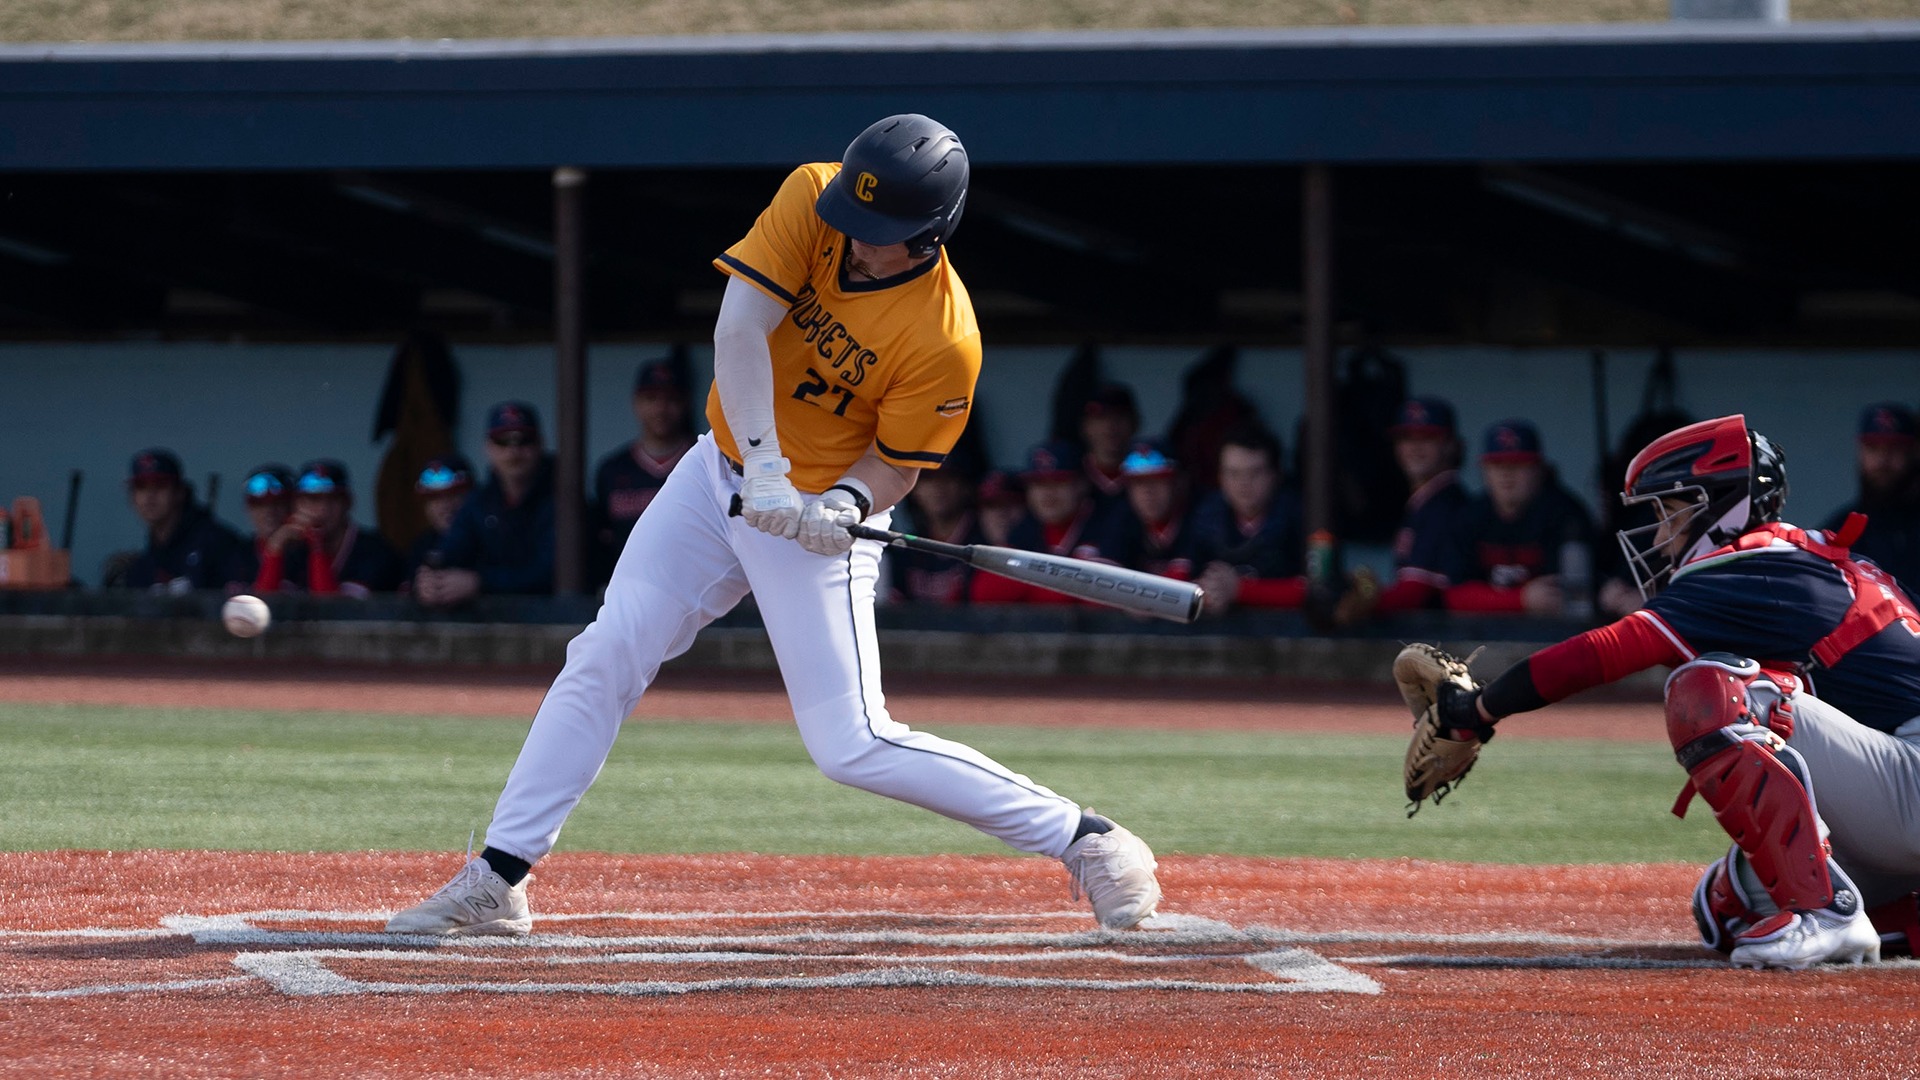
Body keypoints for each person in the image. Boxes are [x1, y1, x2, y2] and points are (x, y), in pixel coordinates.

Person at [385, 113, 1160, 937]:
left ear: (931, 235)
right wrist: (763, 464)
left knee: (851, 743)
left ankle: (1086, 839)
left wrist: (848, 504)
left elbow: (900, 461)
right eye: (853, 224)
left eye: (880, 234)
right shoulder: (811, 194)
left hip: (816, 521)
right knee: (608, 649)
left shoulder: (943, 338)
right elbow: (740, 327)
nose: (857, 242)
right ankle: (499, 875)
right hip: (723, 471)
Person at [1421, 414, 1920, 969]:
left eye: (1669, 512)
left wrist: (1478, 708)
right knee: (1728, 906)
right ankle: (1900, 916)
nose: (1660, 534)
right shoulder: (1799, 558)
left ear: (1719, 504)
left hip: (1910, 781)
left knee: (1710, 689)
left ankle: (1827, 909)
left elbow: (1598, 653)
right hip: (1902, 782)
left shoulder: (1743, 566)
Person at [1442, 420, 1596, 618]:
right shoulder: (1469, 517)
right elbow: (1454, 596)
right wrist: (1520, 600)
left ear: (1538, 469)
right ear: (1484, 471)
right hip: (1484, 635)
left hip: (1553, 633)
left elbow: (1569, 596)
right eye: (1497, 465)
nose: (1506, 474)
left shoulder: (1566, 515)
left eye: (1517, 464)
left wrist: (1489, 598)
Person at [414, 401, 558, 607]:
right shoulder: (480, 501)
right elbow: (451, 550)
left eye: (523, 440)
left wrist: (480, 582)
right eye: (503, 441)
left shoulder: (564, 498)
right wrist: (430, 579)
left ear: (540, 444)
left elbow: (550, 573)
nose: (513, 451)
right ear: (488, 447)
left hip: (552, 625)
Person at [1343, 397, 1471, 619]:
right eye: (1406, 438)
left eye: (1428, 438)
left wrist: (1366, 602)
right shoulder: (1424, 501)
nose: (1415, 447)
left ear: (1451, 444)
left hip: (1447, 637)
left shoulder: (1446, 504)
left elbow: (1416, 593)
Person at [969, 440, 1131, 605]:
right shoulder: (1027, 527)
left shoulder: (1109, 520)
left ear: (1081, 484)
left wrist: (1028, 584)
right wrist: (1069, 584)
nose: (1047, 493)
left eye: (1058, 482)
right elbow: (985, 591)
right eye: (1038, 484)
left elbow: (1102, 596)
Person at [591, 354, 699, 585]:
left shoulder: (705, 463)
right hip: (630, 587)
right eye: (651, 398)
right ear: (636, 403)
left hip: (695, 587)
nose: (661, 408)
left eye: (671, 399)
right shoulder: (611, 470)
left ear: (686, 403)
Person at [1188, 425, 1307, 614]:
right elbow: (1185, 576)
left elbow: (1314, 590)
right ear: (1220, 477)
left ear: (1275, 475)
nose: (1244, 483)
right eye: (1233, 473)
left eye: (1255, 472)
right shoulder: (1204, 516)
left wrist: (1240, 590)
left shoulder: (1299, 516)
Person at [253, 460, 405, 597]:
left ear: (348, 503)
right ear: (296, 505)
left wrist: (317, 549)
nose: (322, 509)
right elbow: (263, 611)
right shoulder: (291, 550)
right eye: (313, 499)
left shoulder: (375, 551)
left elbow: (332, 615)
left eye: (332, 500)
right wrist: (275, 549)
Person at [115, 448, 248, 594]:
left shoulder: (217, 544)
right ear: (132, 498)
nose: (150, 496)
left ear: (179, 492)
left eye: (160, 485)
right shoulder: (142, 566)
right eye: (141, 487)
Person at [1821, 403, 1920, 590]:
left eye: (1894, 449)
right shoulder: (1840, 530)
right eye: (1873, 448)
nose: (1883, 461)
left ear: (1914, 452)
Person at [888, 457, 981, 605]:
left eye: (948, 478)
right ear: (914, 490)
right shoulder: (908, 549)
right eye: (928, 480)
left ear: (965, 486)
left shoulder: (984, 538)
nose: (938, 487)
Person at [1114, 439, 1196, 579]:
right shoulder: (1123, 518)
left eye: (1158, 480)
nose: (1148, 491)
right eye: (1138, 483)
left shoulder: (1200, 518)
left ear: (1179, 482)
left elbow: (1180, 583)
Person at [404, 454, 475, 578]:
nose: (445, 506)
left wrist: (477, 582)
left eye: (453, 494)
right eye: (434, 498)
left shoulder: (492, 540)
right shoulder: (420, 547)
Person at [1079, 382, 1140, 519]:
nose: (1110, 426)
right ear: (1085, 426)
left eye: (1119, 417)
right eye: (1100, 418)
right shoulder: (1072, 477)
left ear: (1135, 423)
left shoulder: (1148, 475)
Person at [237, 463, 296, 585]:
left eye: (278, 503)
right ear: (247, 509)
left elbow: (327, 602)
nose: (269, 512)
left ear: (292, 506)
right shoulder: (235, 555)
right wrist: (274, 549)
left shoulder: (308, 553)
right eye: (259, 504)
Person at [974, 469, 1025, 548]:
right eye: (992, 507)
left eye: (1008, 505)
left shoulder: (1043, 551)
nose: (1001, 515)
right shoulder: (967, 554)